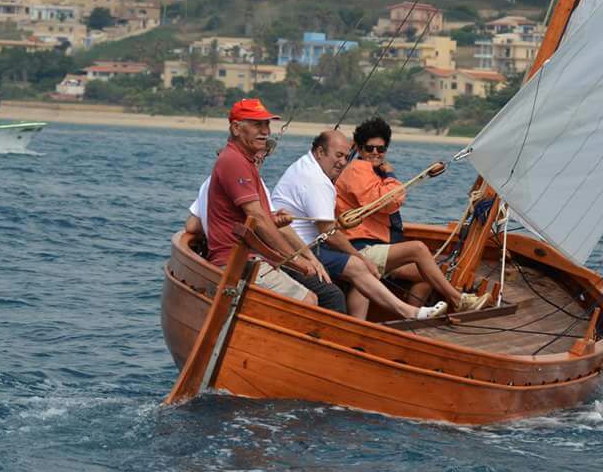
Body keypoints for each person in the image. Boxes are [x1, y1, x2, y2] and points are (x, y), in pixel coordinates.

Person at [271, 129, 448, 321]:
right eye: (338, 155)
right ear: (320, 152)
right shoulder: (319, 180)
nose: (342, 162)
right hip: (300, 247)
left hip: (309, 243)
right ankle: (414, 310)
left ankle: (409, 312)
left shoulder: (307, 166)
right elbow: (329, 231)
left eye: (346, 156)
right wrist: (361, 259)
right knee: (347, 279)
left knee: (359, 267)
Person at [201, 99, 346, 313]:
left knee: (322, 294)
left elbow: (260, 217)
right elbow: (257, 219)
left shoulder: (244, 161)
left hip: (253, 258)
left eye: (267, 125)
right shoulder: (233, 160)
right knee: (310, 301)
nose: (265, 131)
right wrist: (294, 259)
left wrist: (276, 222)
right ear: (236, 128)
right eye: (257, 125)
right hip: (236, 261)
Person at [335, 117, 491, 313]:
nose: (375, 153)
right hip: (360, 247)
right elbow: (386, 202)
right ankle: (458, 300)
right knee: (418, 249)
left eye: (381, 149)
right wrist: (391, 175)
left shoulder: (374, 172)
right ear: (358, 149)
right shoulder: (358, 169)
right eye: (369, 148)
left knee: (428, 273)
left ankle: (413, 316)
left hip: (377, 247)